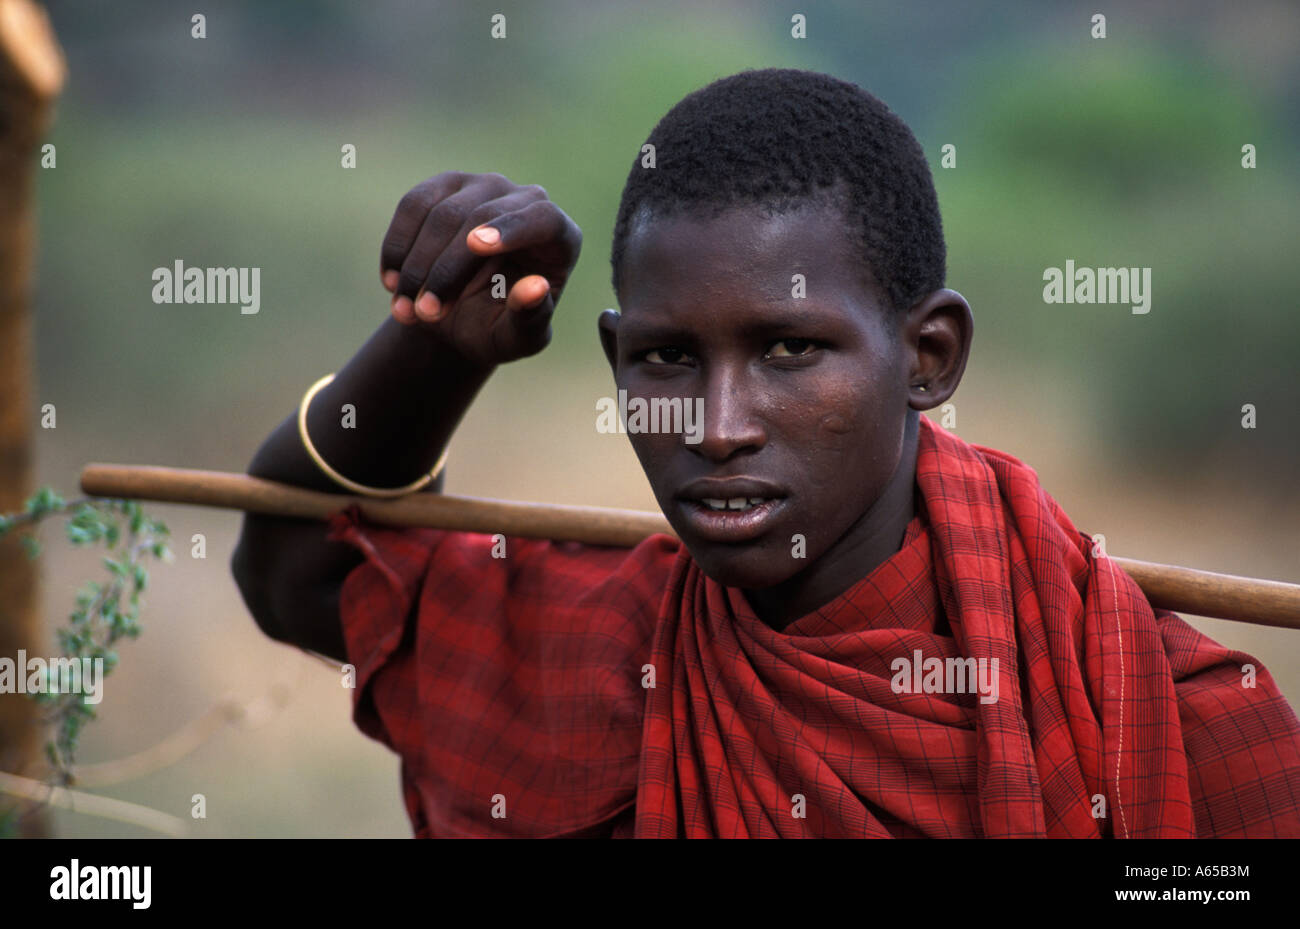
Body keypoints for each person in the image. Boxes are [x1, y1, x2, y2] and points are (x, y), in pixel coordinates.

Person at [230, 68, 1300, 838]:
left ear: (927, 356)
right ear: (613, 357)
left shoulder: (1173, 717)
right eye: (664, 357)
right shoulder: (606, 644)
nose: (717, 422)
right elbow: (294, 573)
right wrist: (431, 348)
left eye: (790, 348)